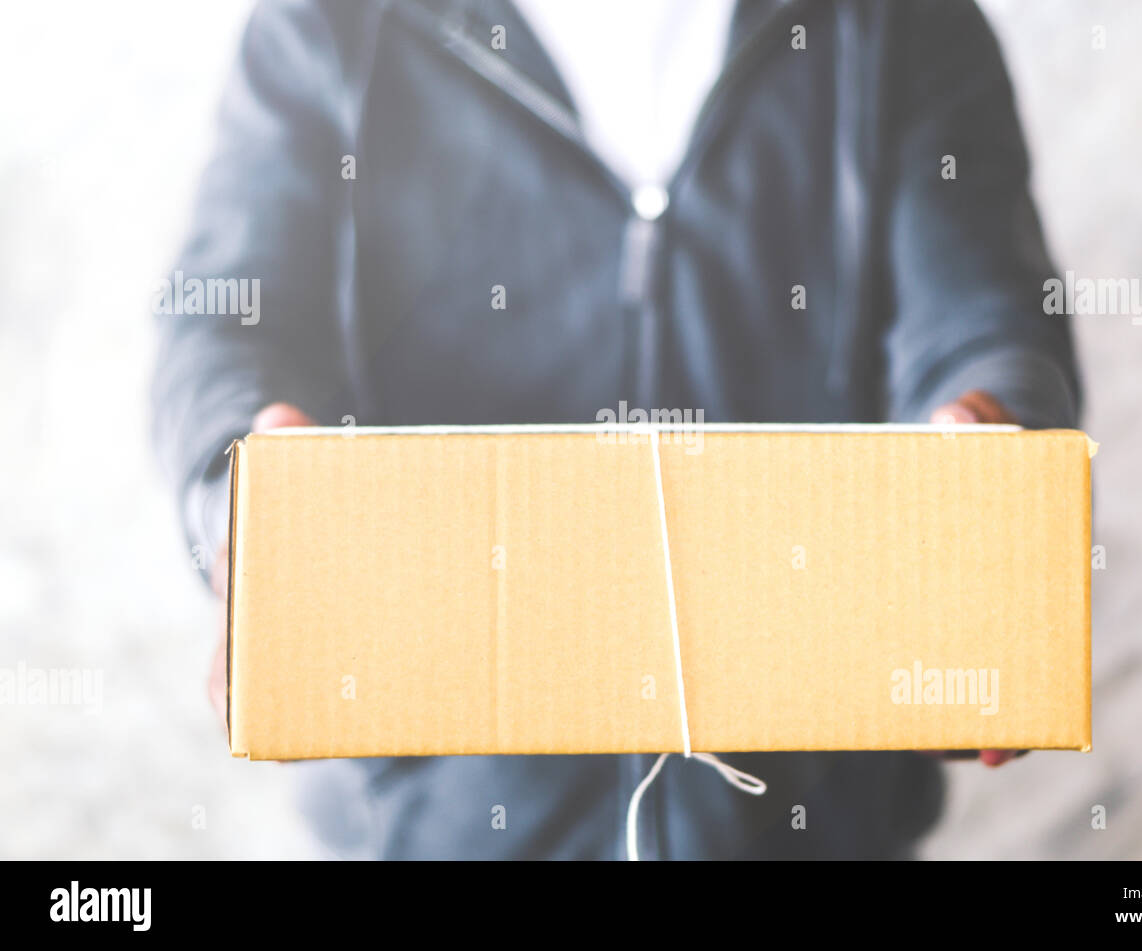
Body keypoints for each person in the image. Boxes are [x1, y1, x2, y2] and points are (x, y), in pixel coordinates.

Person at [152, 0, 1081, 859]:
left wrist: (987, 464)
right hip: (435, 826)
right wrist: (248, 500)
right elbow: (225, 327)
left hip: (804, 824)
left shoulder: (899, 22)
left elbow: (983, 325)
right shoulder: (330, 23)